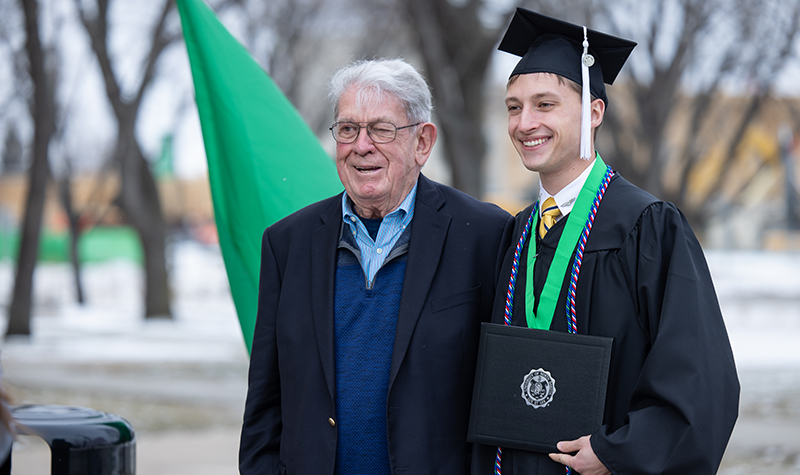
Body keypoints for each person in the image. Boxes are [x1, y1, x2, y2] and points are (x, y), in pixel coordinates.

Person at [471, 9, 740, 475]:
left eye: (545, 104)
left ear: (594, 112)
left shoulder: (648, 227)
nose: (524, 121)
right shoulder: (517, 233)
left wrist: (621, 452)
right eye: (514, 107)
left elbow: (701, 377)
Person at [239, 58, 515, 475]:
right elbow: (265, 398)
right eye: (348, 129)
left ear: (422, 142)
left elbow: (504, 395)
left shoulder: (485, 235)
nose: (361, 145)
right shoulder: (287, 243)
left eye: (382, 129)